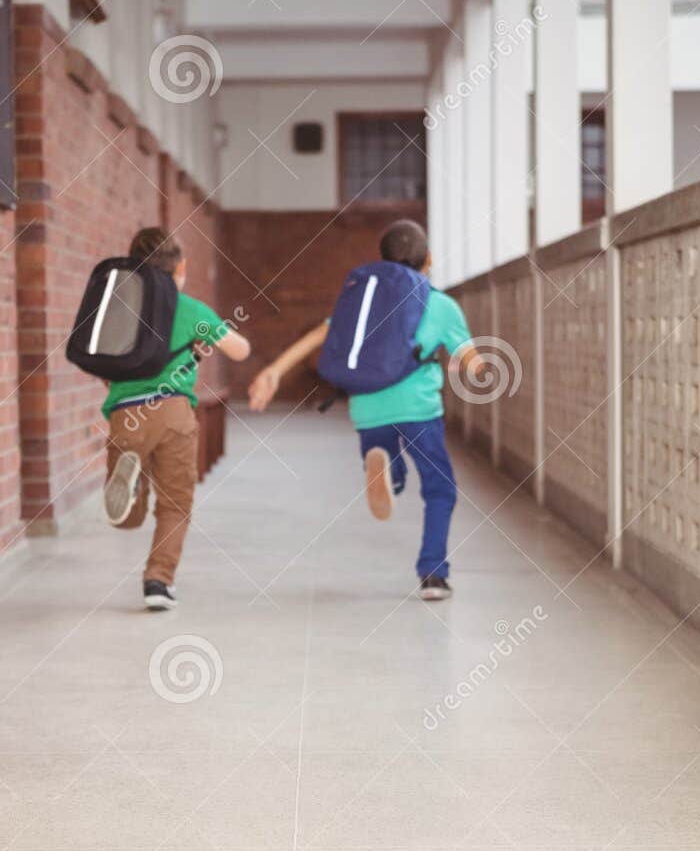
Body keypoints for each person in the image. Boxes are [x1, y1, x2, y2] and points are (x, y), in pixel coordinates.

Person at [247, 219, 481, 601]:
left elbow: (319, 336)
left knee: (391, 473)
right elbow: (473, 363)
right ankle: (433, 574)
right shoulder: (440, 304)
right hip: (418, 408)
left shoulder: (366, 298)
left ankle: (385, 464)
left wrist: (273, 370)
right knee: (440, 489)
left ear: (384, 258)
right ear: (430, 259)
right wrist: (478, 365)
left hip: (367, 405)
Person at [103, 227, 250, 610]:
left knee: (126, 520)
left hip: (125, 414)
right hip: (172, 412)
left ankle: (131, 488)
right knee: (175, 502)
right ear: (180, 267)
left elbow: (103, 363)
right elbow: (240, 351)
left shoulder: (119, 307)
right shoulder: (190, 309)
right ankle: (157, 582)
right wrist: (206, 336)